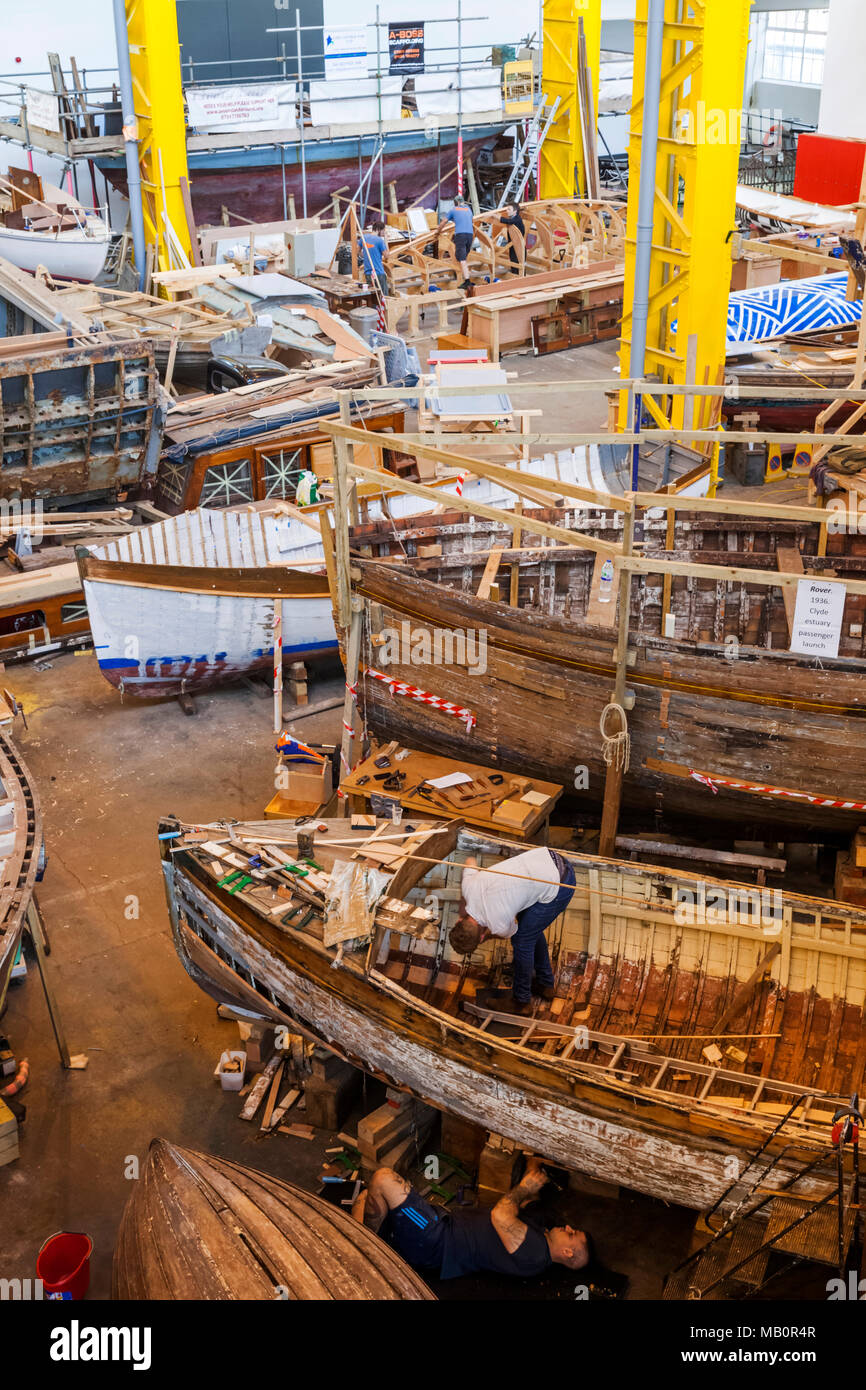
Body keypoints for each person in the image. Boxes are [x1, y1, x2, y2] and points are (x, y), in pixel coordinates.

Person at [353, 1156, 591, 1281]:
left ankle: (367, 1250)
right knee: (365, 1197)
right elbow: (527, 1201)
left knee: (383, 1179)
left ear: (568, 1253)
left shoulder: (535, 1253)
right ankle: (380, 1242)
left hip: (435, 1241)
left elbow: (501, 1214)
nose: (568, 1227)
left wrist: (523, 1186)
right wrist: (533, 1164)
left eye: (572, 1234)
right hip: (442, 1225)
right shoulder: (540, 1233)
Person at [449, 846, 575, 1015]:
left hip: (561, 884)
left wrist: (489, 935)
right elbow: (470, 861)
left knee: (522, 941)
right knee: (529, 929)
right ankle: (545, 984)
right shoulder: (467, 887)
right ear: (459, 920)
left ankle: (521, 1002)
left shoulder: (497, 924)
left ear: (481, 939)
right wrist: (463, 902)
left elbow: (513, 932)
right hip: (550, 857)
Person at [439, 194, 475, 289]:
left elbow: (443, 222)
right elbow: (468, 220)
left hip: (461, 235)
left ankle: (467, 282)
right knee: (462, 257)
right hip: (470, 235)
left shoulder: (453, 210)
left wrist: (437, 231)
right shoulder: (468, 209)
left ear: (456, 203)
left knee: (461, 259)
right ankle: (462, 274)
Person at [359, 218, 389, 297]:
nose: (383, 233)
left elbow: (358, 252)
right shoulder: (379, 240)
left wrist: (365, 256)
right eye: (383, 231)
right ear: (379, 229)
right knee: (384, 297)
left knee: (373, 298)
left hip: (368, 273)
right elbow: (387, 256)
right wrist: (386, 240)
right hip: (378, 273)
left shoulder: (364, 237)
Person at [499, 201, 526, 270]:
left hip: (519, 247)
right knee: (513, 265)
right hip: (513, 246)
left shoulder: (517, 219)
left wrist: (498, 217)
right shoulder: (513, 218)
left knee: (518, 267)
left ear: (515, 211)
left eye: (509, 209)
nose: (507, 211)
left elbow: (510, 221)